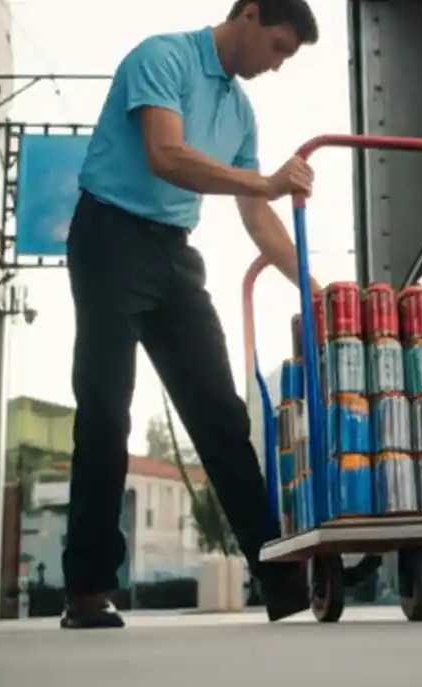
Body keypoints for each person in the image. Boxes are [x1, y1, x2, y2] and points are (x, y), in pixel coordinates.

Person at [59, 0, 321, 629]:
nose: (278, 65)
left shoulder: (240, 110)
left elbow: (257, 216)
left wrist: (315, 291)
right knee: (105, 407)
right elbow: (165, 155)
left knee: (222, 416)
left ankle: (281, 584)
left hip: (174, 255)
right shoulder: (163, 56)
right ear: (250, 14)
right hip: (109, 238)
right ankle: (88, 590)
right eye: (279, 47)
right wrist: (263, 183)